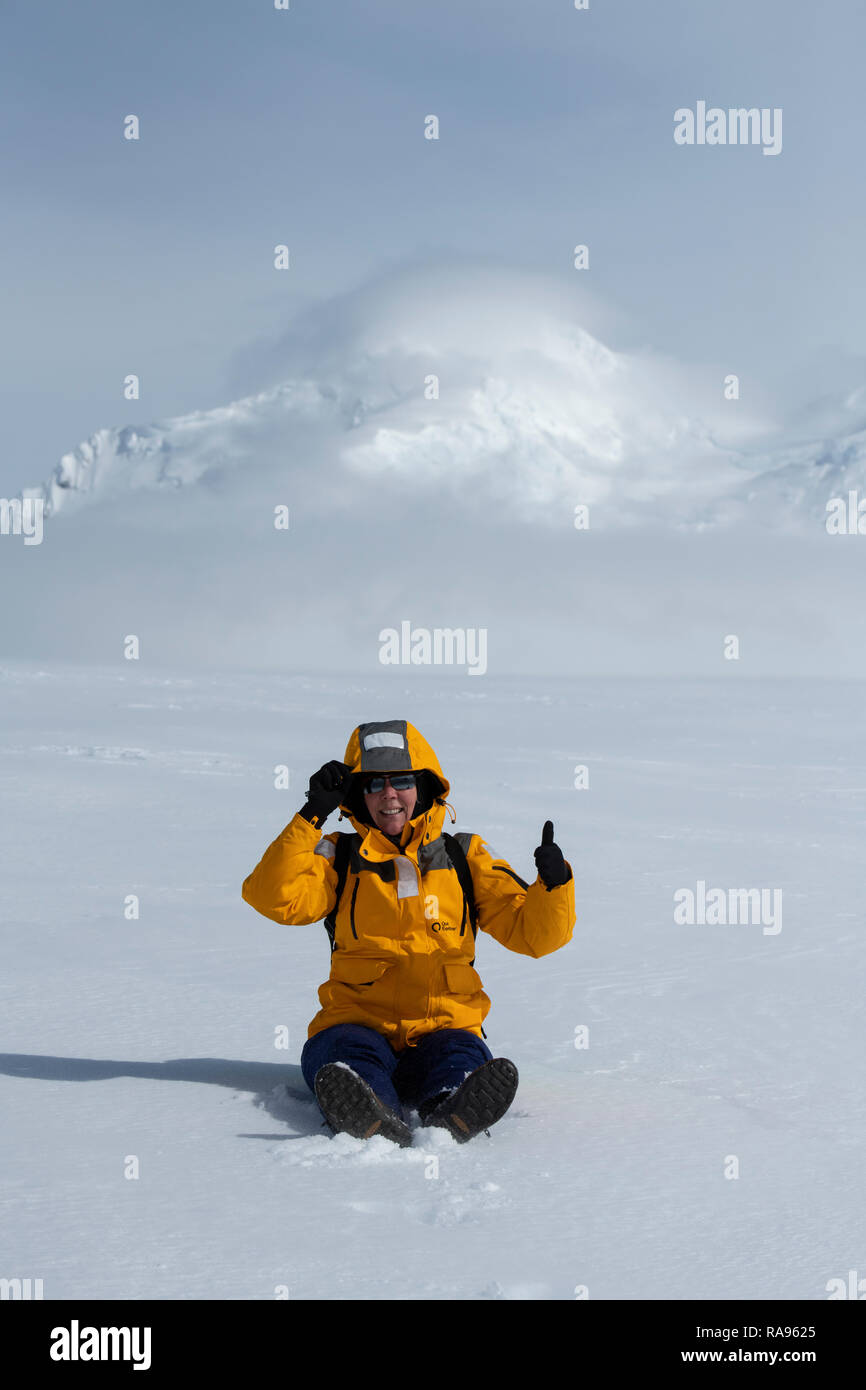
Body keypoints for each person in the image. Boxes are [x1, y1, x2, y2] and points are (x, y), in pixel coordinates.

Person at [241, 719, 575, 1146]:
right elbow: (272, 898)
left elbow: (538, 937)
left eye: (401, 781)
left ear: (424, 787)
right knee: (343, 1055)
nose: (389, 795)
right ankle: (370, 1111)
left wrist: (554, 885)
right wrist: (310, 816)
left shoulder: (463, 855)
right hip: (357, 1024)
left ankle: (450, 1108)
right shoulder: (338, 855)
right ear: (356, 795)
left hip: (443, 1028)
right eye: (373, 784)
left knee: (460, 1057)